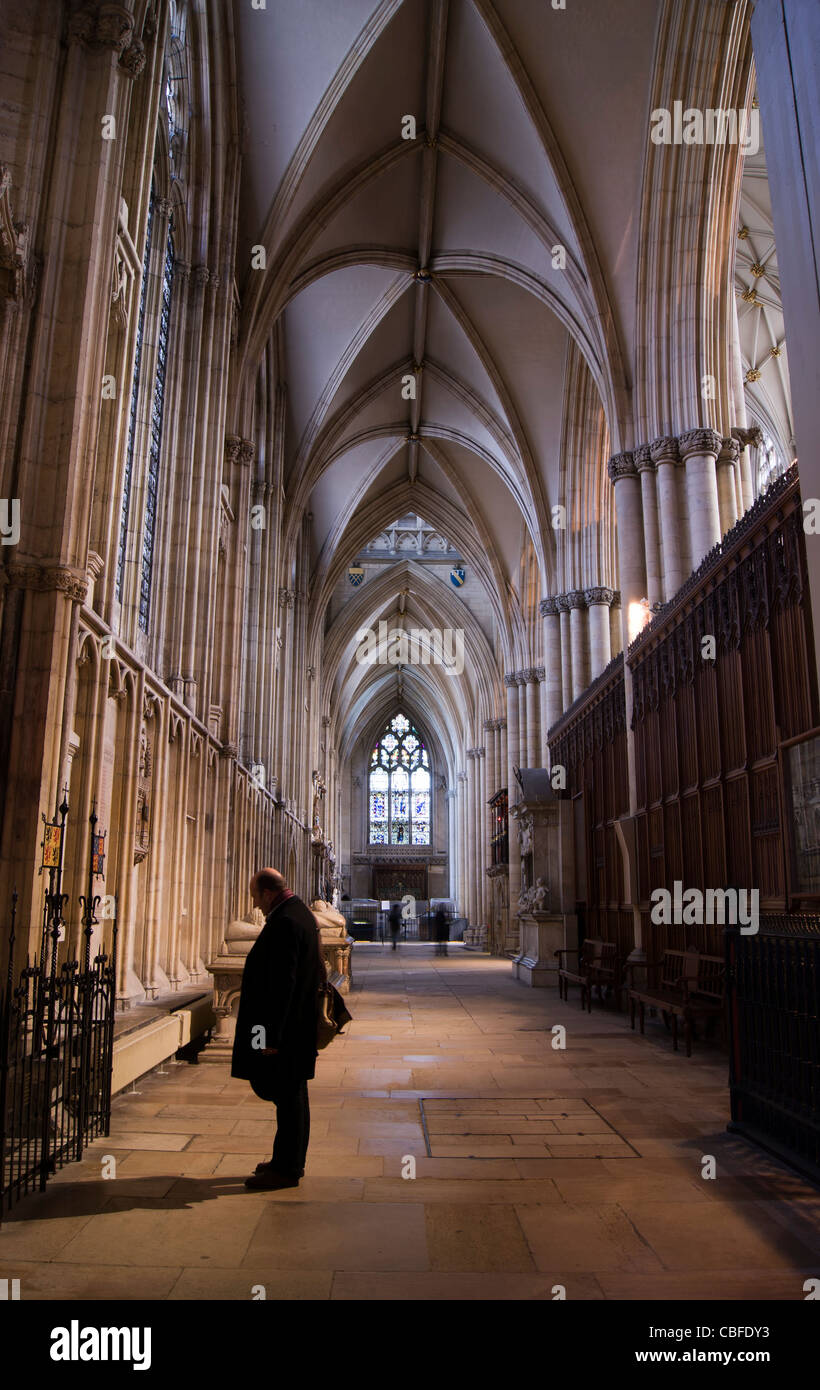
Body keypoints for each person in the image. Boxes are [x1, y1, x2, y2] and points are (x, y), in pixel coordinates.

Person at [231, 867, 327, 1190]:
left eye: (256, 897)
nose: (256, 906)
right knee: (293, 1097)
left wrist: (267, 1038)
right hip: (296, 1030)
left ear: (268, 893)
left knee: (289, 1098)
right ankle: (286, 1160)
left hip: (285, 1034)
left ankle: (286, 1170)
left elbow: (282, 986)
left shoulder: (286, 922)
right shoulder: (298, 913)